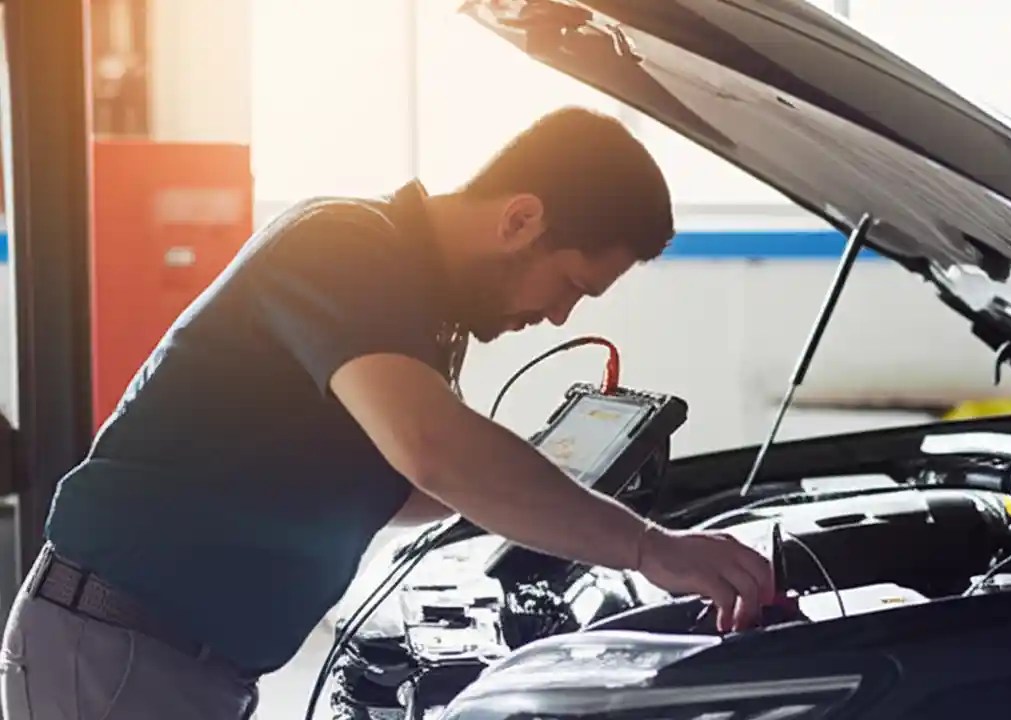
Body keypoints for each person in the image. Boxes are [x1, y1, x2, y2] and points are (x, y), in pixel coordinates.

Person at [0, 107, 774, 719]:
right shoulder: (344, 245)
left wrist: (549, 485)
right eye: (570, 283)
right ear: (520, 219)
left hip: (191, 662)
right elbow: (430, 448)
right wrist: (643, 546)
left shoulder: (425, 312)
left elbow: (409, 486)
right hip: (116, 648)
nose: (561, 316)